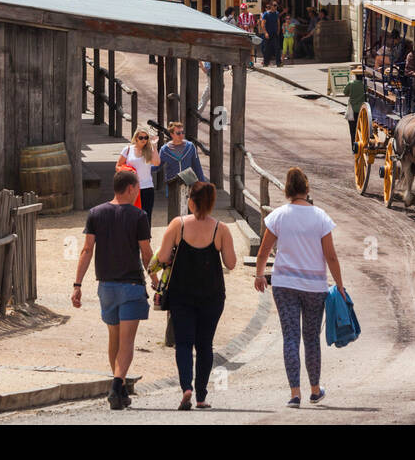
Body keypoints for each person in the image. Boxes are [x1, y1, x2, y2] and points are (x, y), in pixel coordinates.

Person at [254, 168, 343, 406]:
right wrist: (341, 286)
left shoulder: (278, 216)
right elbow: (331, 256)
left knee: (290, 338)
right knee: (311, 338)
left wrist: (259, 274)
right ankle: (315, 389)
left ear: (287, 190)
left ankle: (295, 394)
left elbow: (263, 251)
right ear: (307, 189)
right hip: (315, 286)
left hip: (284, 284)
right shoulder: (321, 217)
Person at [72, 170, 152, 410]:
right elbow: (146, 253)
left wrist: (77, 284)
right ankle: (118, 385)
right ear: (129, 188)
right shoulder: (139, 216)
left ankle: (118, 387)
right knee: (127, 342)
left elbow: (87, 250)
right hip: (131, 285)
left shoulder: (95, 213)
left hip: (105, 285)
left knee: (114, 338)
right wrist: (156, 278)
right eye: (137, 187)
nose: (138, 191)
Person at [158, 181, 237, 410]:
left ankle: (186, 388)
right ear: (211, 204)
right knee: (205, 345)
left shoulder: (178, 225)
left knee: (183, 343)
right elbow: (231, 263)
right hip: (211, 296)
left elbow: (163, 257)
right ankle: (201, 396)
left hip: (181, 294)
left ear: (190, 201)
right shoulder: (220, 229)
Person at [158, 122, 205, 215]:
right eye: (178, 133)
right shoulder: (164, 150)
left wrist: (202, 184)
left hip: (190, 183)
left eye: (182, 132)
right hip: (173, 186)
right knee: (174, 213)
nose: (181, 135)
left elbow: (197, 167)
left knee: (191, 213)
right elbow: (157, 166)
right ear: (171, 134)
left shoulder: (191, 146)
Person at [114, 128, 157, 221]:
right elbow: (118, 166)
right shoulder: (128, 149)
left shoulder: (150, 150)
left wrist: (154, 147)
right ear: (136, 138)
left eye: (146, 138)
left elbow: (157, 163)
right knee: (131, 215)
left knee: (146, 215)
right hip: (131, 188)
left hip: (147, 187)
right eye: (141, 137)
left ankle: (145, 235)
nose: (143, 140)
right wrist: (128, 171)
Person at [343, 67, 366, 154]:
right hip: (363, 110)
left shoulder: (351, 83)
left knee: (353, 130)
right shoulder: (365, 85)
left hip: (352, 109)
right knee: (362, 129)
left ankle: (354, 147)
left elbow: (345, 92)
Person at [261, 1, 281, 66]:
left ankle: (278, 63)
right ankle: (266, 63)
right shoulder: (266, 14)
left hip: (275, 33)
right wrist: (265, 33)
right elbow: (263, 24)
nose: (275, 7)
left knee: (277, 48)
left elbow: (278, 22)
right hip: (268, 33)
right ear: (271, 6)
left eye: (276, 6)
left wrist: (278, 31)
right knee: (267, 49)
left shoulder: (277, 13)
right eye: (274, 5)